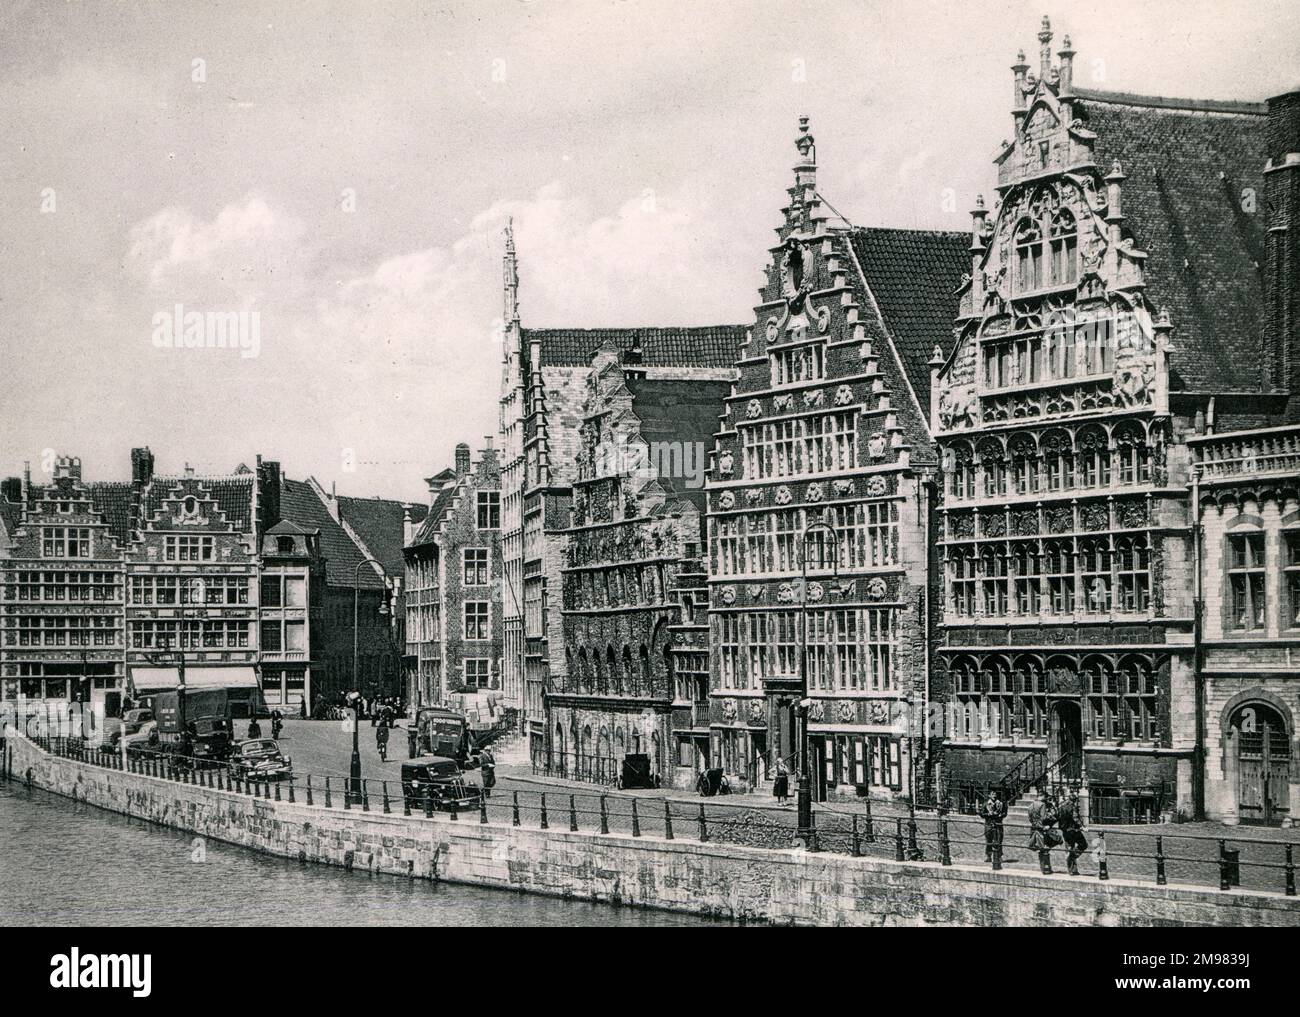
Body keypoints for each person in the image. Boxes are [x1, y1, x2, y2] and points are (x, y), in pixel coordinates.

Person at [1027, 786, 1060, 875]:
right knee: (1049, 844)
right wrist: (1050, 818)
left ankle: (1044, 867)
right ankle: (1046, 868)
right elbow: (1044, 817)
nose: (1046, 799)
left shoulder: (1031, 805)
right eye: (1045, 797)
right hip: (1043, 828)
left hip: (1034, 828)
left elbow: (1029, 818)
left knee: (1041, 847)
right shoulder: (1042, 805)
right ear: (1042, 796)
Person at [1057, 787, 1088, 876]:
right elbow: (1075, 817)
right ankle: (1073, 855)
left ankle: (1072, 870)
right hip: (1073, 830)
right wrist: (1082, 826)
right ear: (1075, 800)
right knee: (1083, 844)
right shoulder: (1072, 806)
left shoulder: (1061, 805)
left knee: (1069, 848)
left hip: (1065, 830)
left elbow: (1058, 816)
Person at [978, 789, 1007, 863]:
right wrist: (988, 814)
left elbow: (1005, 813)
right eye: (992, 794)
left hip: (998, 824)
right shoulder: (986, 804)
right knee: (989, 840)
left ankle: (999, 856)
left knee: (999, 840)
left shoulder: (1000, 803)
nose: (994, 795)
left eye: (995, 794)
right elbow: (981, 813)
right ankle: (988, 856)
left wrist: (1001, 815)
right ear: (989, 795)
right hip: (989, 824)